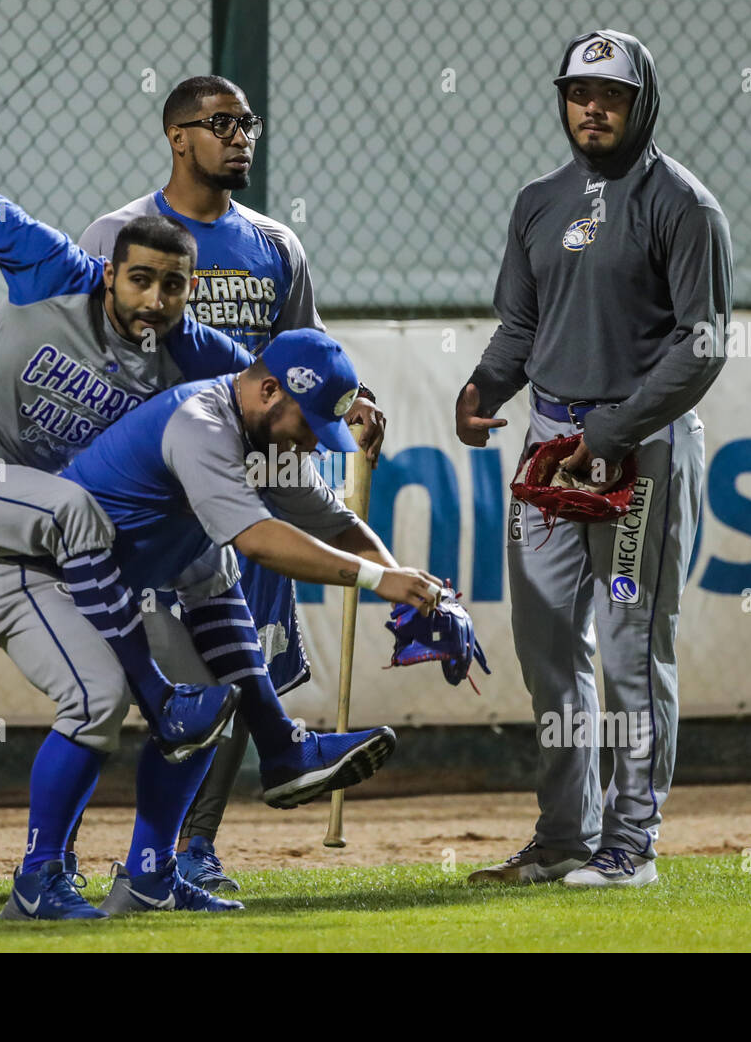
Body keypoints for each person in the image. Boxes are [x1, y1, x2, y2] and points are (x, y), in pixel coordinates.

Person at [0, 177, 401, 919]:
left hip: (67, 543)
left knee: (205, 667)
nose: (155, 300)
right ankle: (101, 784)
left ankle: (153, 870)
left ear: (190, 292)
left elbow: (276, 378)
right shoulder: (56, 270)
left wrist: (346, 403)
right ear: (110, 272)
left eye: (174, 287)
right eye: (141, 280)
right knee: (81, 552)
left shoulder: (196, 354)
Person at [79, 75, 384, 891]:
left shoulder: (278, 245)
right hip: (159, 485)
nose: (241, 136)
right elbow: (85, 354)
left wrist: (352, 404)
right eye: (221, 123)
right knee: (148, 681)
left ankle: (190, 851)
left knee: (249, 661)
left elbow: (309, 359)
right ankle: (85, 857)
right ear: (178, 137)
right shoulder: (122, 232)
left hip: (262, 477)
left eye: (247, 123)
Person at [31, 328, 443, 917]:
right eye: (308, 427)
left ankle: (151, 876)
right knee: (95, 704)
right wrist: (380, 581)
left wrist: (415, 593)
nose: (310, 445)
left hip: (132, 583)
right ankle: (38, 876)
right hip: (59, 581)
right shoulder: (201, 423)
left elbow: (337, 525)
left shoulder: (267, 437)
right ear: (270, 391)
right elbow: (259, 542)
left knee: (213, 705)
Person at [455, 30, 732, 888]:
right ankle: (565, 835)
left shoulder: (684, 204)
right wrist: (483, 389)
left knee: (628, 650)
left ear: (641, 100)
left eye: (609, 95)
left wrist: (612, 435)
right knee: (547, 650)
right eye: (578, 92)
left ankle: (632, 844)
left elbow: (705, 344)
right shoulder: (540, 199)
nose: (591, 107)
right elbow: (522, 326)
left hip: (636, 448)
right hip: (549, 442)